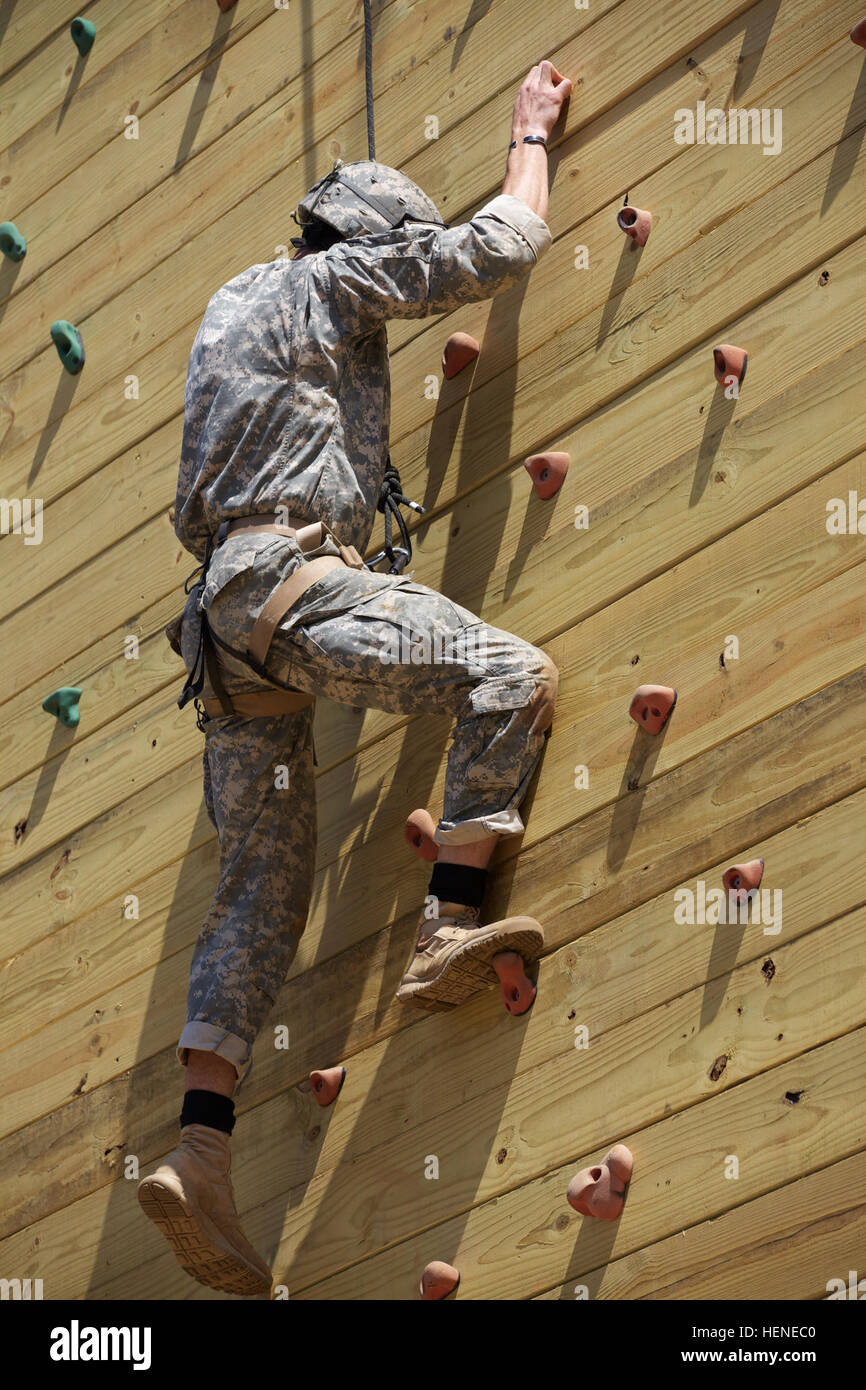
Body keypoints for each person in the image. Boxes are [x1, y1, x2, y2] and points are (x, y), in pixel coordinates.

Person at [138, 60, 573, 1297]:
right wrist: (527, 137)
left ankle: (199, 1153)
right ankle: (445, 928)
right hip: (288, 579)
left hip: (222, 629)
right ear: (367, 243)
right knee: (503, 670)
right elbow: (506, 239)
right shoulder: (334, 278)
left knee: (259, 888)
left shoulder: (233, 307)